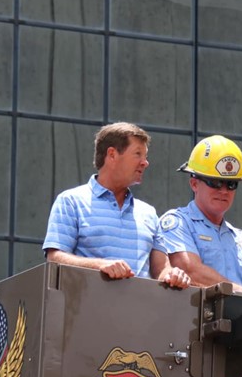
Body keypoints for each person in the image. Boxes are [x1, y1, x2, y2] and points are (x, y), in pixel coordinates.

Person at [43, 122, 189, 288]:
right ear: (112, 154)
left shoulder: (149, 213)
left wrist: (173, 275)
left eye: (145, 156)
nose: (145, 162)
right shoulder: (71, 201)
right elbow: (54, 258)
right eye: (138, 154)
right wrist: (99, 265)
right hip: (86, 303)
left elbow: (161, 269)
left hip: (139, 304)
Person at [155, 135, 242, 294]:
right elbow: (190, 270)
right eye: (215, 182)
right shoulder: (178, 222)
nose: (224, 191)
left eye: (231, 184)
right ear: (194, 184)